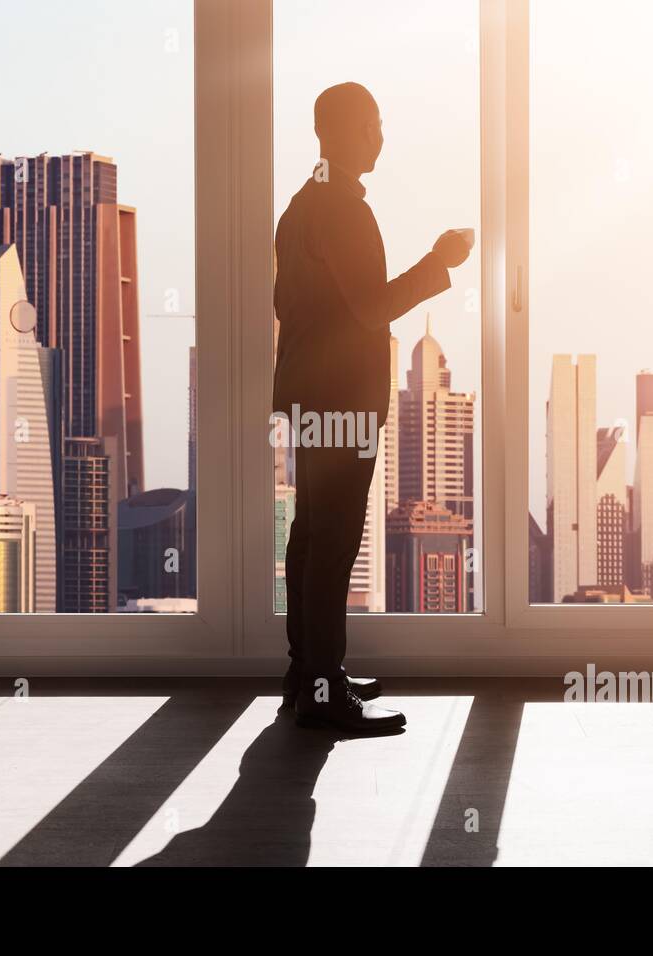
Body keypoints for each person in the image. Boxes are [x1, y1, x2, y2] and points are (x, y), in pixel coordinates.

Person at [273, 82, 471, 733]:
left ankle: (309, 675)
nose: (380, 137)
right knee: (332, 540)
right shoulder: (341, 210)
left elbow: (289, 306)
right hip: (343, 400)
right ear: (345, 130)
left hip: (307, 393)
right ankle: (324, 692)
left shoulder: (300, 207)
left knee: (311, 533)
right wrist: (439, 262)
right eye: (373, 126)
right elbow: (371, 308)